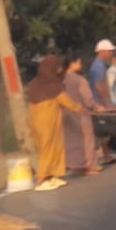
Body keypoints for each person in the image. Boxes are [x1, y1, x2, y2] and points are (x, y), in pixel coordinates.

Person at [26, 55, 89, 192]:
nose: (60, 70)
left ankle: (51, 176)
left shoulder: (35, 84)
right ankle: (42, 180)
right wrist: (80, 109)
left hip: (36, 121)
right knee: (49, 149)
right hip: (48, 122)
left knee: (51, 148)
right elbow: (66, 102)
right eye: (58, 67)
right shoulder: (53, 86)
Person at [62, 56, 103, 175]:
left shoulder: (60, 80)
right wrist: (97, 108)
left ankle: (75, 166)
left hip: (65, 115)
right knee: (87, 140)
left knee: (71, 140)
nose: (80, 65)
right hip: (81, 113)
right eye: (78, 63)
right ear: (72, 64)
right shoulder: (80, 80)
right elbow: (88, 99)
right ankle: (89, 166)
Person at [90, 39, 116, 107]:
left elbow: (104, 83)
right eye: (109, 51)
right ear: (102, 51)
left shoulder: (101, 64)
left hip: (101, 102)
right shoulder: (98, 66)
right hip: (99, 103)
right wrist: (106, 102)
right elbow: (98, 86)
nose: (111, 53)